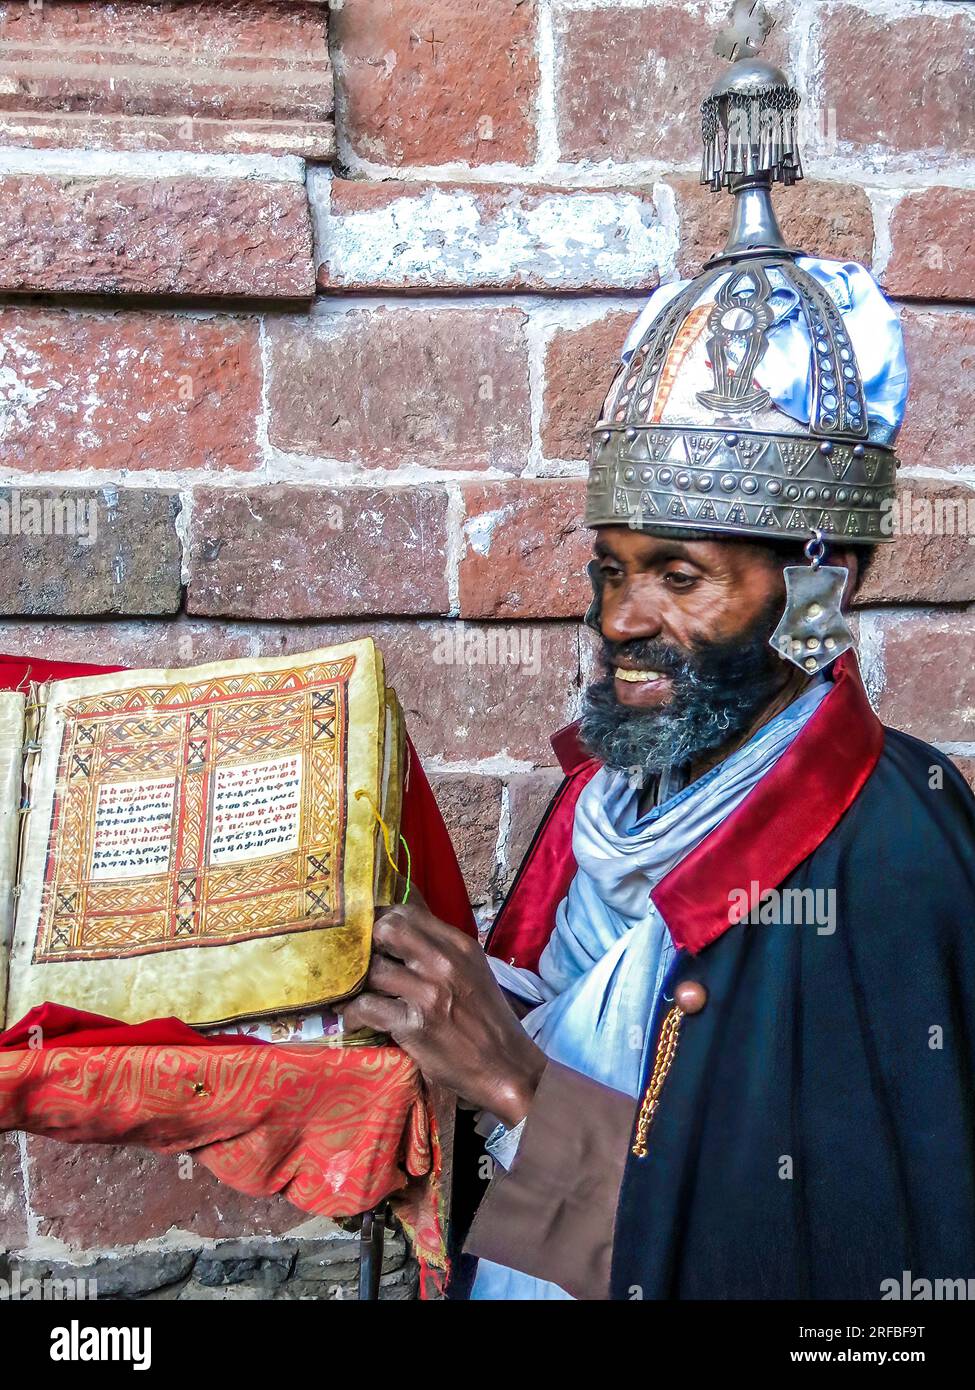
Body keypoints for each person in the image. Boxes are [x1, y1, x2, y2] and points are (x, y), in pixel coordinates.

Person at [341, 48, 975, 1301]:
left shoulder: (893, 856)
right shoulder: (605, 801)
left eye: (679, 577)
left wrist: (514, 1073)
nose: (622, 618)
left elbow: (838, 1277)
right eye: (612, 568)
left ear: (818, 577)